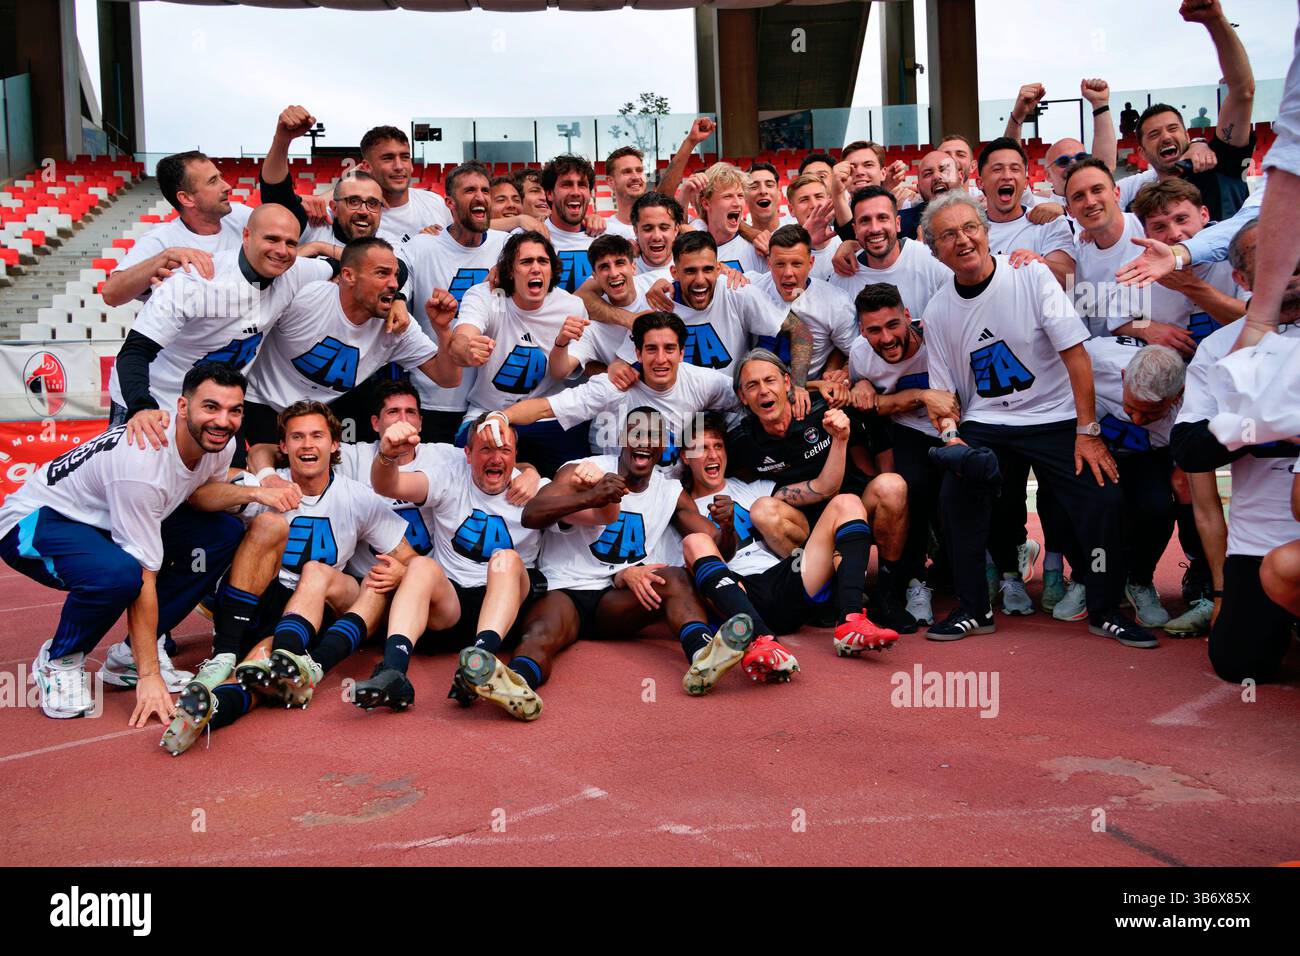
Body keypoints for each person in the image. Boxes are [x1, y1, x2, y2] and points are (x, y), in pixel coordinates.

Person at [917, 191, 1154, 647]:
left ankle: (1105, 608)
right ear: (935, 251)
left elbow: (1075, 355)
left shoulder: (1029, 275)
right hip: (988, 421)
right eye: (948, 235)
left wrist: (1087, 432)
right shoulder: (938, 310)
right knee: (955, 499)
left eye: (970, 228)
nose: (963, 240)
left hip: (1055, 414)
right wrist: (952, 440)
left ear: (986, 232)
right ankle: (973, 608)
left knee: (1102, 499)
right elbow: (945, 394)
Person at [162, 400, 418, 754]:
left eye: (316, 435)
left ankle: (216, 708)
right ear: (283, 446)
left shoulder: (358, 497)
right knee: (268, 523)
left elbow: (408, 558)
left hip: (314, 606)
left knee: (263, 660)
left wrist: (400, 570)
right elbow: (198, 496)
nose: (307, 445)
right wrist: (255, 492)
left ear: (334, 444)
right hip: (258, 599)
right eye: (297, 437)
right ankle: (226, 658)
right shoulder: (267, 482)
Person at [0, 364, 247, 721]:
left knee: (221, 534)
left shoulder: (220, 443)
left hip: (105, 517)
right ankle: (61, 660)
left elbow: (199, 493)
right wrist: (150, 676)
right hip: (39, 520)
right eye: (211, 407)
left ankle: (129, 655)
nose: (223, 421)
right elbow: (146, 574)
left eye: (234, 410)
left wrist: (258, 491)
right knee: (121, 575)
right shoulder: (143, 465)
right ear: (182, 407)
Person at [498, 407, 756, 700]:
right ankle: (517, 684)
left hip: (617, 600)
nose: (644, 441)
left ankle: (703, 655)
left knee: (675, 579)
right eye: (636, 433)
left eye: (653, 435)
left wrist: (727, 527)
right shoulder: (584, 469)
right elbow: (532, 514)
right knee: (541, 633)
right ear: (621, 439)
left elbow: (717, 549)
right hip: (566, 588)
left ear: (663, 446)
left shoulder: (668, 491)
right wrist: (591, 496)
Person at [1169, 219, 1300, 681]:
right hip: (1260, 540)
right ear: (1242, 279)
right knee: (1238, 663)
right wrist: (1261, 421)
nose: (1291, 262)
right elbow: (1190, 451)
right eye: (1272, 256)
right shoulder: (1220, 349)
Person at [680, 411, 901, 677]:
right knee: (695, 542)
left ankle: (851, 622)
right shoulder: (680, 507)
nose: (713, 455)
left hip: (787, 577)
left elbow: (822, 487)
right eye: (702, 449)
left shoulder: (753, 487)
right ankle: (763, 641)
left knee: (847, 502)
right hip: (740, 594)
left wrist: (840, 439)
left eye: (717, 446)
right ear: (684, 457)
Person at [358, 412, 546, 716]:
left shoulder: (535, 489)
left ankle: (480, 663)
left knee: (505, 558)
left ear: (516, 456)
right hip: (452, 607)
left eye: (505, 450)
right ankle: (393, 672)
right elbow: (388, 486)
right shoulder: (450, 476)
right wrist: (387, 456)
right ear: (468, 454)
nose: (495, 457)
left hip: (506, 608)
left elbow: (595, 512)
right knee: (420, 567)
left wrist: (572, 474)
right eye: (486, 449)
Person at [107, 204, 335, 453]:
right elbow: (134, 353)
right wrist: (142, 409)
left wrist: (322, 248)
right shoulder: (195, 281)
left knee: (221, 486)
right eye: (272, 239)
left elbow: (347, 264)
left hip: (219, 408)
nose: (282, 251)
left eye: (291, 243)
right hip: (155, 400)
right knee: (143, 486)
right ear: (246, 236)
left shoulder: (296, 271)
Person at [727, 349, 913, 633]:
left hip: (857, 507)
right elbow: (708, 460)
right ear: (742, 396)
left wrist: (859, 383)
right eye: (752, 385)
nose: (763, 391)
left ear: (788, 383)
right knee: (763, 511)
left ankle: (887, 594)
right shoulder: (743, 441)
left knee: (893, 486)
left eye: (770, 380)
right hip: (808, 528)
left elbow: (871, 406)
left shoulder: (821, 405)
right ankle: (825, 591)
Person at [242, 236, 460, 446]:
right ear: (348, 276)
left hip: (315, 417)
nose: (394, 284)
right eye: (382, 274)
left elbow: (449, 379)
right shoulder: (308, 296)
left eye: (395, 276)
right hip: (260, 402)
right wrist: (315, 246)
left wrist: (442, 330)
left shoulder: (397, 325)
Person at [847, 283, 960, 628]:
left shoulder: (939, 335)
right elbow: (867, 406)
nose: (886, 337)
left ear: (908, 317)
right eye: (874, 330)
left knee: (959, 493)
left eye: (893, 324)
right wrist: (918, 394)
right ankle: (914, 580)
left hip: (960, 421)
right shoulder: (860, 354)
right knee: (910, 489)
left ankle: (986, 567)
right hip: (908, 431)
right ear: (862, 331)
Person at [506, 312, 738, 478]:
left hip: (675, 490)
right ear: (637, 353)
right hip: (614, 483)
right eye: (650, 349)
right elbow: (546, 408)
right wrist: (498, 418)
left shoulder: (703, 382)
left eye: (669, 349)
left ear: (681, 354)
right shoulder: (613, 386)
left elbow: (747, 398)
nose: (660, 359)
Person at [445, 230, 592, 475]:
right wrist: (467, 348)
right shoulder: (486, 296)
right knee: (470, 474)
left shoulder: (570, 306)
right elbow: (462, 338)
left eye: (542, 261)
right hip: (488, 412)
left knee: (576, 482)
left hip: (548, 417)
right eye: (526, 262)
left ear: (552, 270)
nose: (535, 268)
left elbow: (562, 372)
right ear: (510, 271)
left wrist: (561, 343)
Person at [401, 162, 512, 443]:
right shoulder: (420, 247)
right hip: (435, 397)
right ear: (449, 202)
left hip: (492, 400)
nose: (480, 196)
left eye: (485, 190)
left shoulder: (508, 247)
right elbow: (396, 294)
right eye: (470, 190)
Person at [1082, 338, 1187, 627]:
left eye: (1152, 413)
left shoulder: (1193, 396)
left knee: (1158, 507)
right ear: (1124, 376)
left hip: (1150, 457)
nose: (1138, 420)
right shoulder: (1094, 358)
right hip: (1091, 441)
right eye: (1131, 408)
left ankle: (1139, 579)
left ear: (1178, 395)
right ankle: (1083, 576)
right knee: (1089, 500)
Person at [1133, 0, 1256, 222]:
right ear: (1141, 153)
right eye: (1154, 134)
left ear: (1187, 135)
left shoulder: (1219, 163)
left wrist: (1215, 21)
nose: (1166, 136)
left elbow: (1242, 91)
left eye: (1173, 128)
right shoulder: (1145, 205)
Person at [102, 151, 252, 306]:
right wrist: (164, 258)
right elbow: (111, 295)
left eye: (220, 177)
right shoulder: (161, 239)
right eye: (213, 181)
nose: (227, 186)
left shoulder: (242, 216)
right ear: (186, 198)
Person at [259, 105, 385, 248]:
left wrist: (321, 249)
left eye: (373, 204)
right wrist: (282, 140)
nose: (363, 211)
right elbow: (276, 195)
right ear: (334, 208)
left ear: (381, 211)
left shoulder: (390, 243)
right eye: (353, 201)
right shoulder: (314, 226)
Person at [750, 225, 858, 382]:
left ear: (811, 263)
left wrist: (843, 372)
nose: (788, 273)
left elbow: (855, 353)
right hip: (757, 390)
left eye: (796, 264)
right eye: (780, 264)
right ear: (769, 263)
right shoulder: (751, 287)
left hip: (812, 393)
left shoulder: (835, 303)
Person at [828, 186, 952, 320]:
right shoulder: (842, 277)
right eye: (865, 221)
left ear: (898, 223)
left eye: (882, 218)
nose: (874, 228)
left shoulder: (932, 261)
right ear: (855, 229)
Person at [976, 137, 1075, 286]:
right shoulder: (967, 231)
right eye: (997, 169)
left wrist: (1037, 262)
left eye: (1015, 169)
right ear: (980, 182)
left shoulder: (1049, 222)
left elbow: (1069, 280)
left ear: (1025, 183)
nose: (1007, 176)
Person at [360, 125, 452, 244]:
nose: (399, 166)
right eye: (388, 158)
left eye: (405, 157)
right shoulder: (358, 216)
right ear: (367, 167)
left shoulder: (435, 202)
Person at [604, 146, 648, 240]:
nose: (636, 177)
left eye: (639, 170)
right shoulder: (602, 230)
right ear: (610, 182)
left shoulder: (664, 227)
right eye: (627, 172)